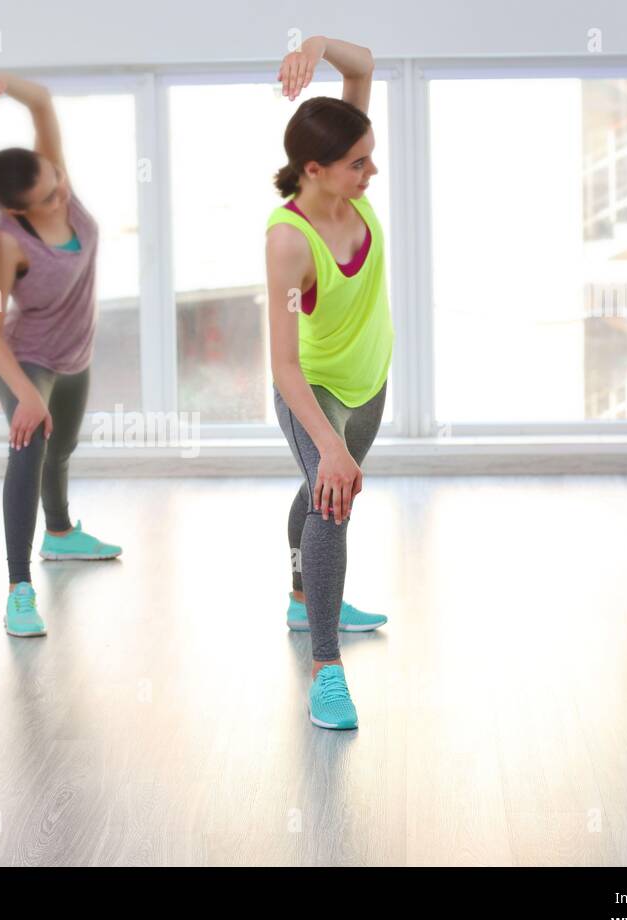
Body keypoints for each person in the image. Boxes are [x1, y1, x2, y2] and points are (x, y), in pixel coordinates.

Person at [0, 72, 122, 639]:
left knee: (64, 447)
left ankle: (60, 533)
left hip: (76, 354)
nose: (60, 196)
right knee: (29, 451)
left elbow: (45, 104)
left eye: (57, 184)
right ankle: (18, 590)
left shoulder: (57, 181)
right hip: (28, 360)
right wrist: (26, 392)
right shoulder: (9, 243)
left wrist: (6, 82)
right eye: (47, 198)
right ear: (17, 209)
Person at [264, 36, 394, 730]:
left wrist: (313, 43)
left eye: (369, 156)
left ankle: (303, 595)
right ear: (314, 170)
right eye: (358, 164)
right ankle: (326, 667)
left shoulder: (347, 183)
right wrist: (330, 444)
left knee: (316, 491)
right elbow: (283, 366)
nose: (371, 170)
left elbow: (362, 65)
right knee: (332, 502)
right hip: (314, 394)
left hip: (370, 383)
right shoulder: (290, 239)